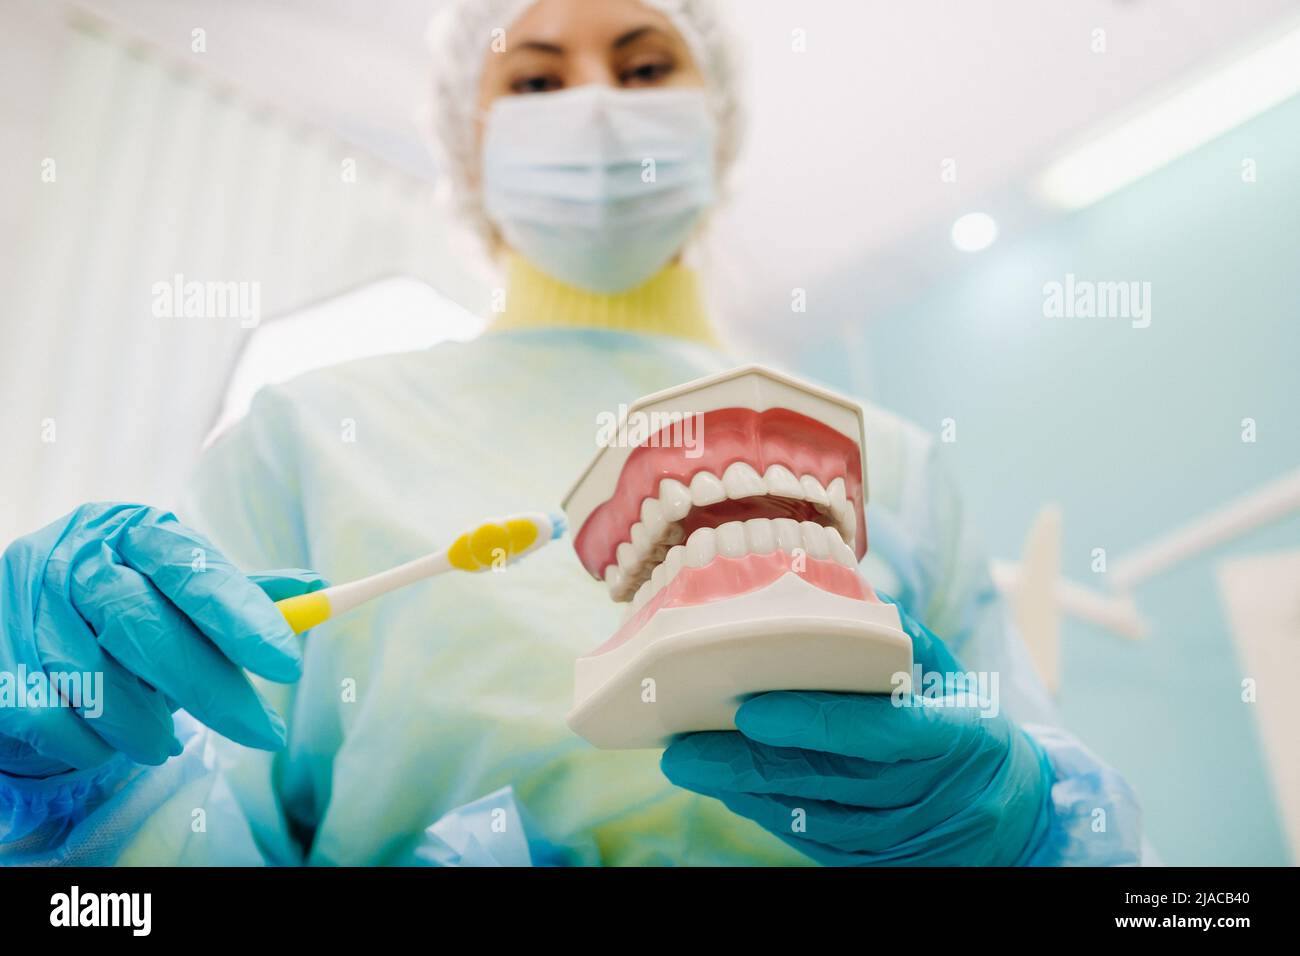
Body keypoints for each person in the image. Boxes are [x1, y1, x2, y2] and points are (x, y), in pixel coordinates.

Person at [0, 0, 1140, 866]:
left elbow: (1093, 851)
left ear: (716, 130)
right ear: (470, 156)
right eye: (535, 80)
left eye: (645, 66)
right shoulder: (308, 432)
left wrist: (1010, 826)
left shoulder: (889, 459)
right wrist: (76, 781)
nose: (594, 105)